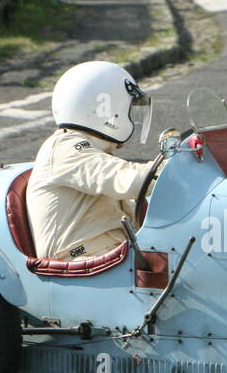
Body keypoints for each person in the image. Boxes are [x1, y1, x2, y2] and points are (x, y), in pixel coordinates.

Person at [27, 61, 154, 261]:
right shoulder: (66, 148)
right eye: (127, 108)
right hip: (86, 259)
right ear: (105, 107)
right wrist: (172, 168)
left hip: (112, 253)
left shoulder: (92, 149)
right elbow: (128, 181)